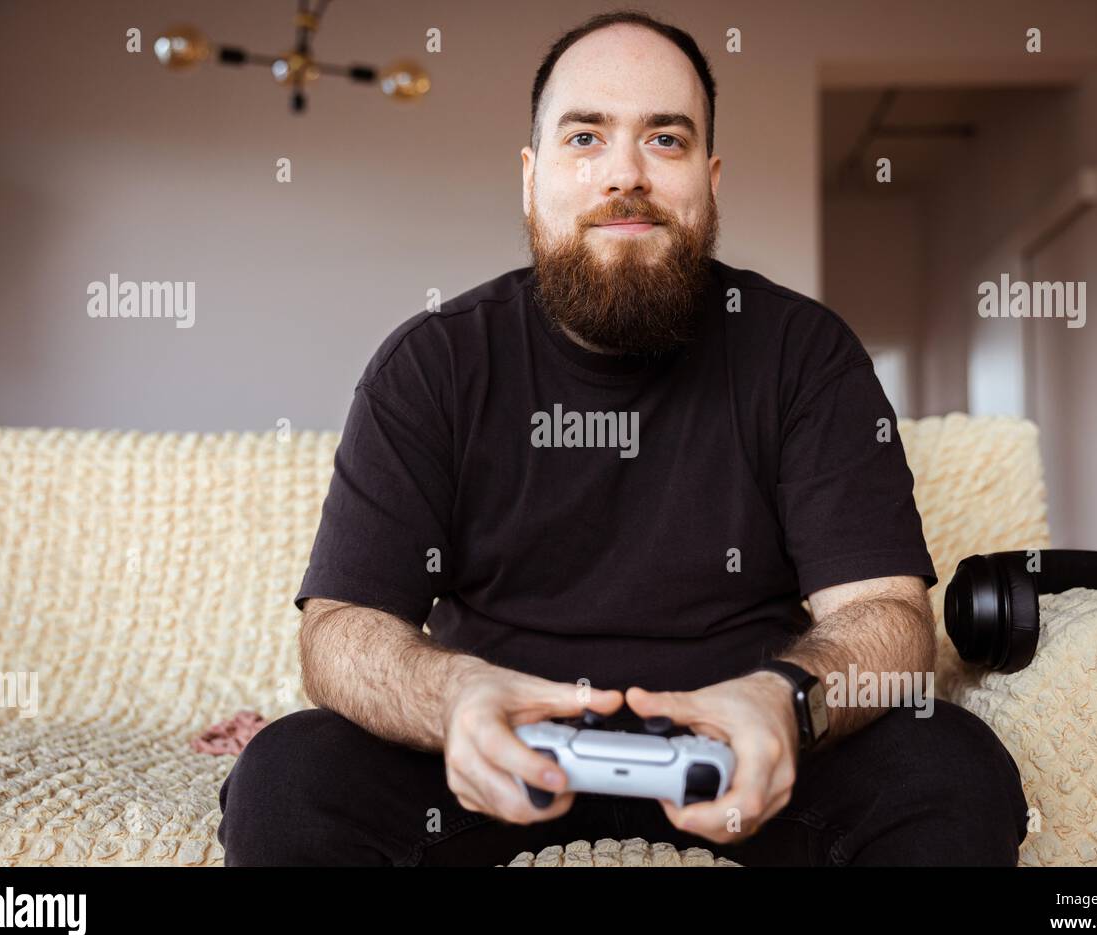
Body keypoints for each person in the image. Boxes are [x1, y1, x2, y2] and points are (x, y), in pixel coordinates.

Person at [218, 9, 1029, 866]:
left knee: (950, 766)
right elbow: (340, 628)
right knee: (290, 771)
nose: (625, 175)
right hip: (495, 762)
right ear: (530, 177)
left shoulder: (805, 353)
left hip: (749, 757)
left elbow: (889, 617)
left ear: (710, 177)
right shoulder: (431, 363)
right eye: (585, 138)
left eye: (666, 140)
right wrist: (451, 696)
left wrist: (787, 700)